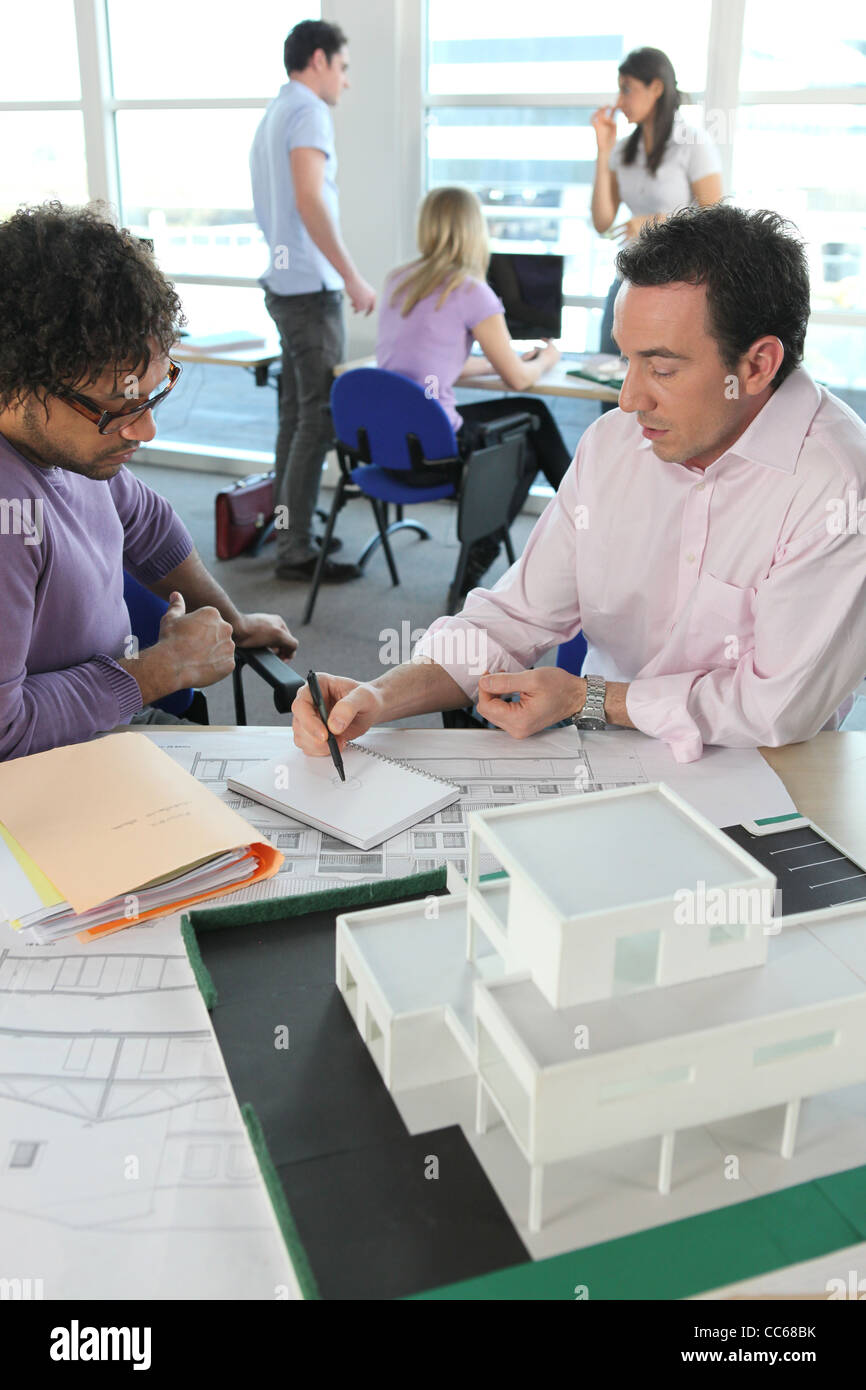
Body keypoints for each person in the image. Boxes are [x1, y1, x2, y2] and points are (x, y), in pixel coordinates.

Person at [292, 204, 866, 765]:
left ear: (758, 365)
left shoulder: (837, 484)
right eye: (627, 362)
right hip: (607, 752)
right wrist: (381, 696)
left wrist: (592, 699)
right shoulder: (613, 444)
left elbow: (777, 707)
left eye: (662, 369)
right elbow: (514, 619)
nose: (629, 399)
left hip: (764, 774)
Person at [0, 203, 298, 763]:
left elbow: (147, 525)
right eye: (120, 408)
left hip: (110, 712)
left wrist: (233, 623)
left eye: (155, 393)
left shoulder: (76, 449)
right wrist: (160, 671)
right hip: (43, 763)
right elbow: (4, 732)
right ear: (19, 382)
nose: (147, 429)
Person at [376, 186, 571, 596]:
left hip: (387, 446)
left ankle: (562, 525)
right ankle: (578, 520)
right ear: (474, 231)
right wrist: (548, 358)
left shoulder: (398, 280)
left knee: (527, 426)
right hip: (436, 452)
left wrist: (496, 361)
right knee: (531, 420)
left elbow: (431, 357)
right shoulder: (470, 291)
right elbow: (519, 379)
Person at [250, 18, 376, 585]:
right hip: (309, 289)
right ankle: (295, 549)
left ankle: (288, 532)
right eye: (344, 68)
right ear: (319, 60)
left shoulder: (276, 110)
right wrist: (351, 276)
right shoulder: (307, 111)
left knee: (293, 415)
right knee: (318, 420)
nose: (345, 83)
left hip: (285, 285)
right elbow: (308, 199)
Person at [590, 46, 723, 408]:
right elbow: (602, 219)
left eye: (627, 89)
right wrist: (603, 150)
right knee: (609, 378)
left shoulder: (692, 143)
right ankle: (611, 460)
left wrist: (657, 223)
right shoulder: (622, 151)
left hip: (678, 283)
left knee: (663, 383)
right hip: (630, 277)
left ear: (657, 88)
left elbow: (717, 218)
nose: (620, 101)